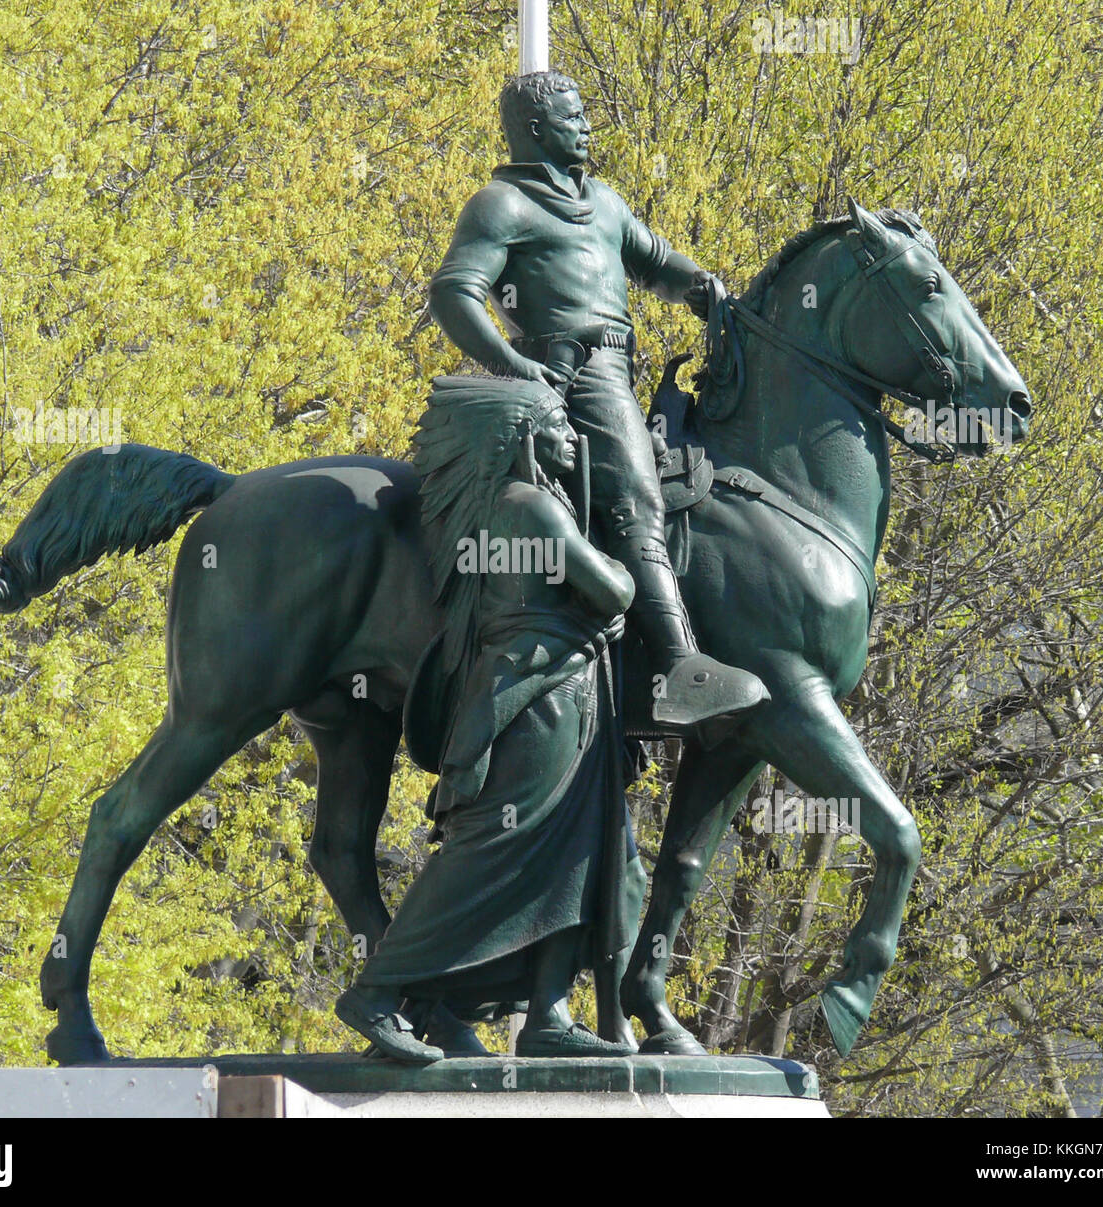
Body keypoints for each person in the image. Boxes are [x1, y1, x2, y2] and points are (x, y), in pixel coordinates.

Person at [427, 71, 768, 738]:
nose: (586, 126)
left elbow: (657, 261)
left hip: (621, 365)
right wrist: (514, 362)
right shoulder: (502, 205)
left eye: (585, 115)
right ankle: (679, 668)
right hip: (573, 372)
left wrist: (707, 291)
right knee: (635, 494)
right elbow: (454, 291)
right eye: (572, 116)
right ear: (532, 129)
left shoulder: (605, 204)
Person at [335, 376, 643, 1062]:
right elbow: (613, 588)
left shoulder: (515, 505)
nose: (573, 439)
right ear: (526, 439)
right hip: (539, 696)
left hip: (567, 690)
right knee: (489, 849)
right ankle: (380, 991)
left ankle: (548, 1011)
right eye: (560, 428)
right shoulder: (530, 506)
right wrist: (619, 564)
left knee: (582, 847)